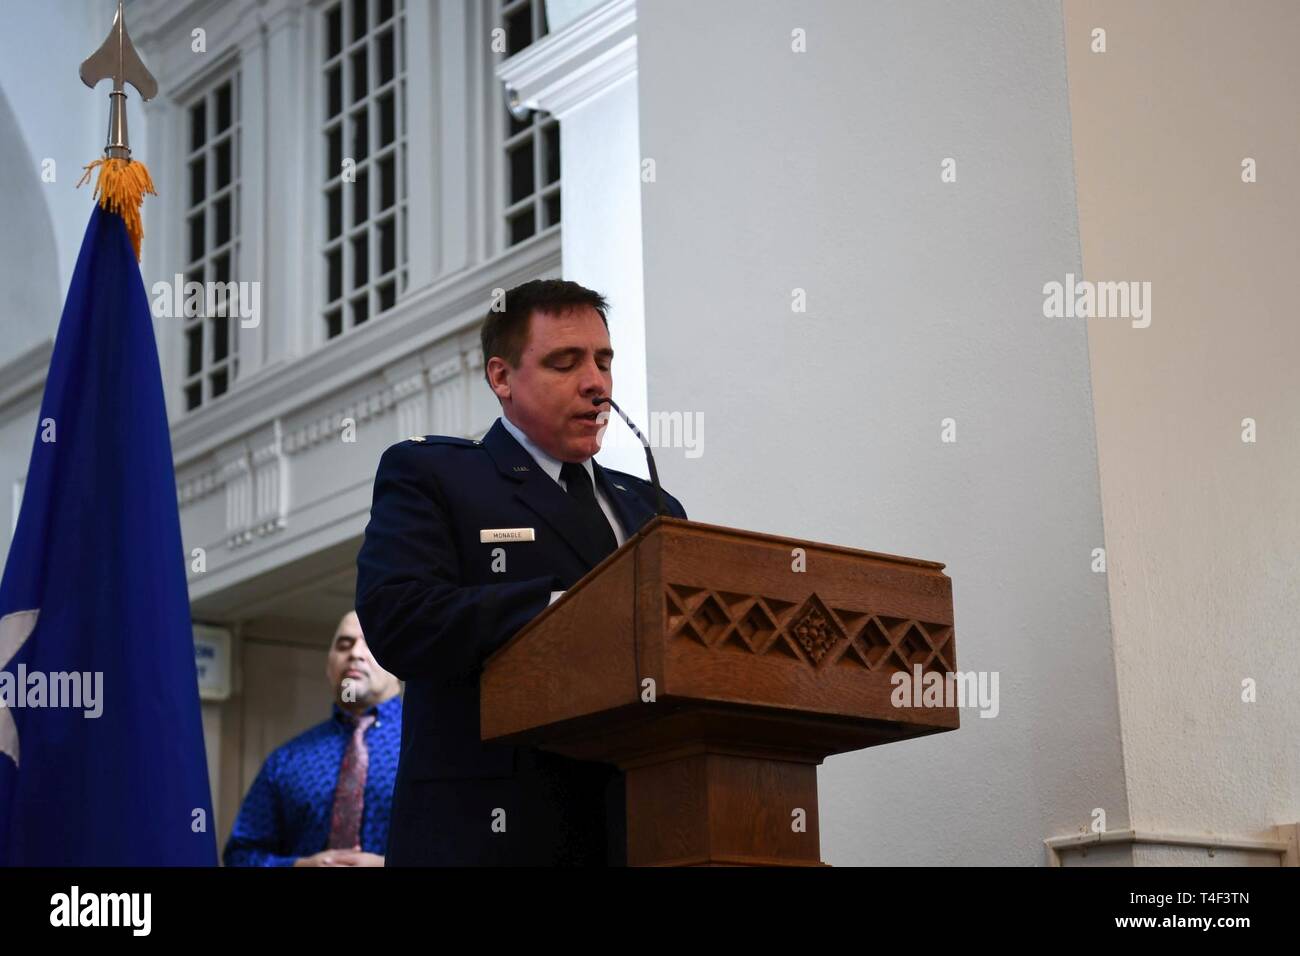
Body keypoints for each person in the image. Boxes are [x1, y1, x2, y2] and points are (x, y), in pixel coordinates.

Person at [356, 278, 687, 866]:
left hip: (646, 829)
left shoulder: (653, 509)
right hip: (491, 837)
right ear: (502, 378)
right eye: (566, 362)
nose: (596, 383)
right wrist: (563, 609)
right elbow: (400, 620)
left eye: (603, 361)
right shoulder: (435, 475)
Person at [222, 611, 402, 866]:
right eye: (344, 644)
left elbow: (466, 848)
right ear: (329, 667)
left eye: (370, 642)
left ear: (399, 663)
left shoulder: (431, 749)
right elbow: (240, 856)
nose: (355, 653)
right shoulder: (286, 761)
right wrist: (300, 866)